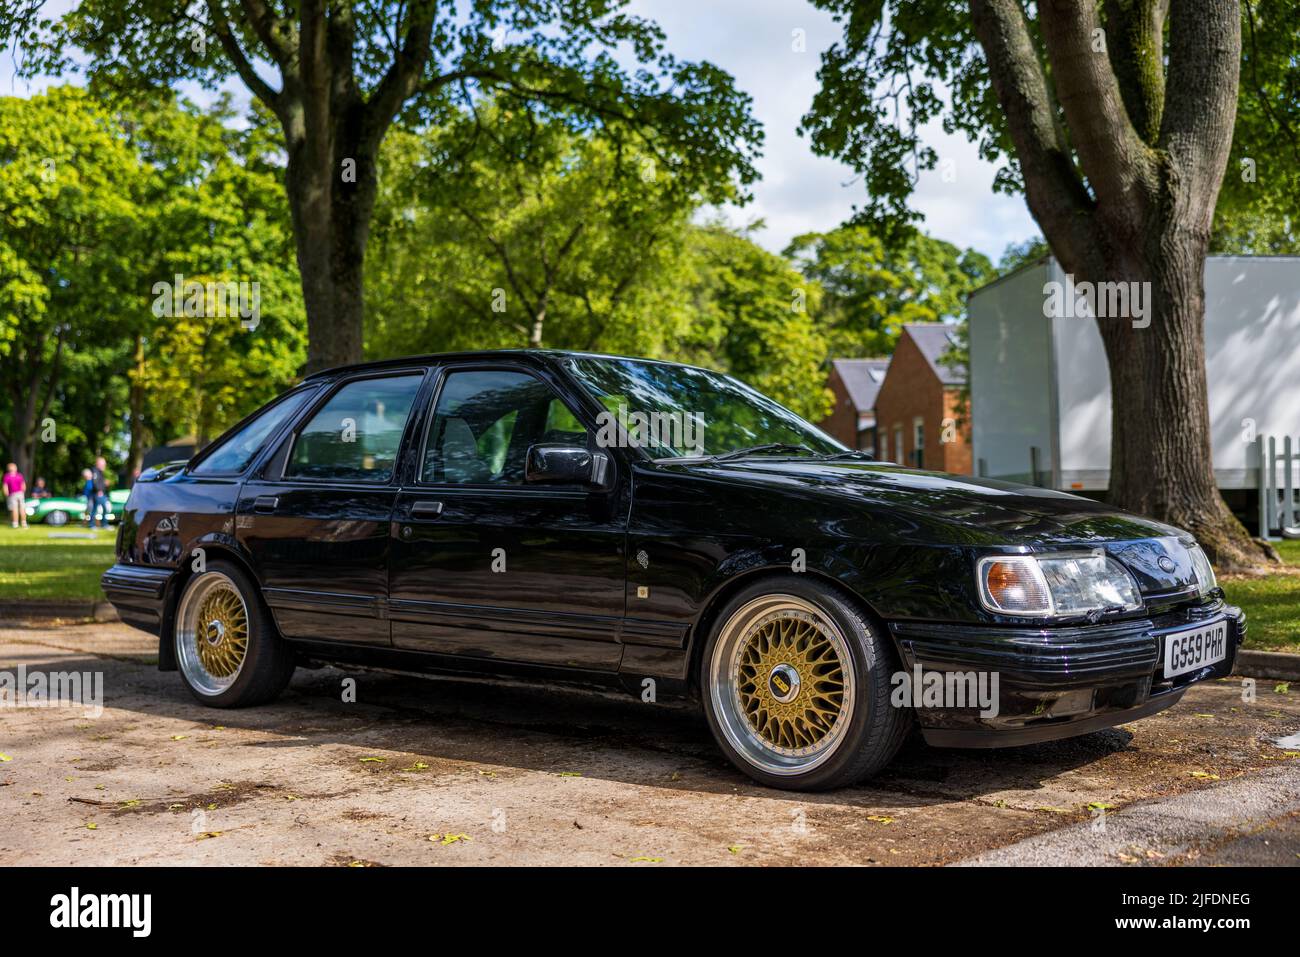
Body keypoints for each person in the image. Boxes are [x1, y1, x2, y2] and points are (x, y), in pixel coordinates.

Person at [4, 463, 27, 529]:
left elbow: (5, 486)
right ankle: (23, 523)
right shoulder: (19, 475)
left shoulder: (7, 476)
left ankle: (15, 523)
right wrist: (22, 492)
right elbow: (23, 485)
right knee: (21, 508)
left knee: (15, 509)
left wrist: (6, 493)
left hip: (13, 494)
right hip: (19, 493)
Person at [90, 457, 110, 529]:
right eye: (103, 464)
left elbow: (100, 482)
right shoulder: (95, 471)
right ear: (98, 463)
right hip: (98, 493)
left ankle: (93, 524)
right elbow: (95, 482)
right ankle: (103, 524)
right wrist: (99, 490)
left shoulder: (100, 472)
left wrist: (104, 484)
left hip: (100, 493)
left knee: (95, 509)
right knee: (104, 508)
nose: (104, 465)